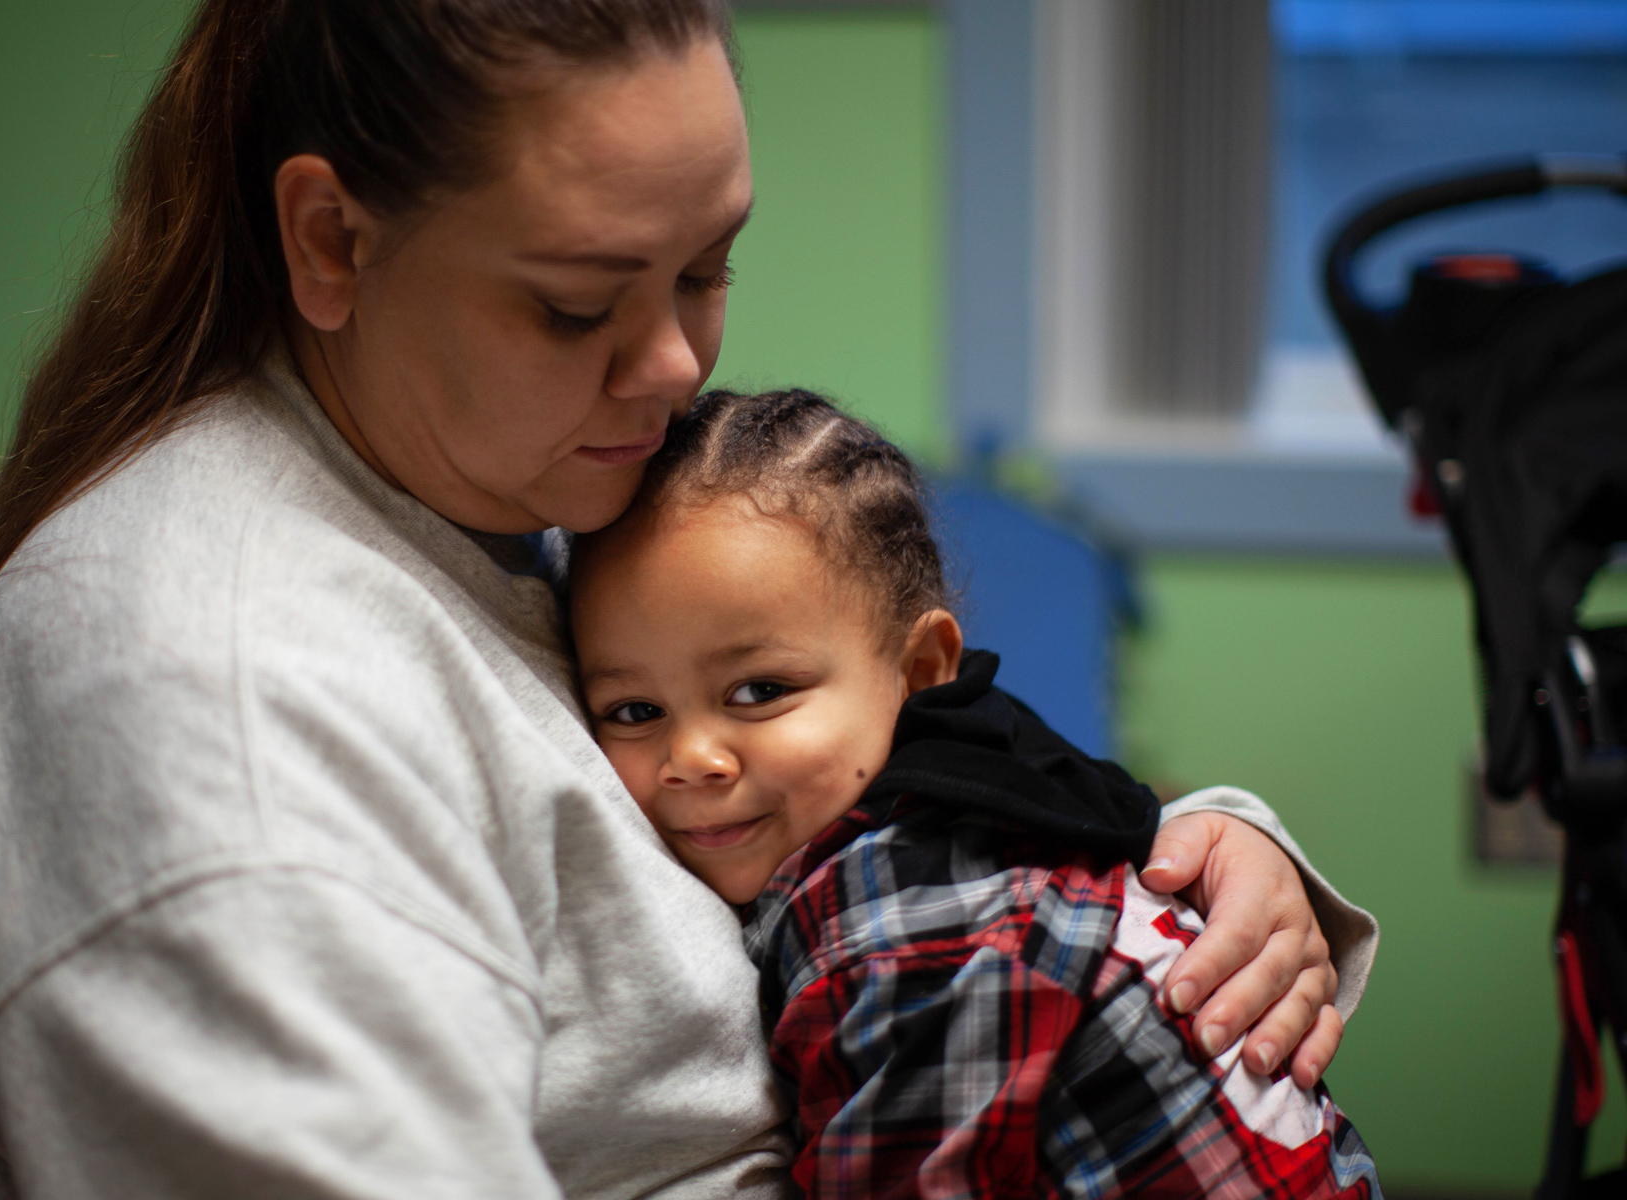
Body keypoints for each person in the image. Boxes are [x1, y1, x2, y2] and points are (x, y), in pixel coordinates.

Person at [0, 2, 1376, 1196]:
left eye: (710, 269)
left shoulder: (507, 491)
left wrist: (1189, 859)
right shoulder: (209, 703)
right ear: (333, 243)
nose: (674, 369)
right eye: (579, 304)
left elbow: (895, 814)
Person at [570, 389, 1381, 1198]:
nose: (694, 757)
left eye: (759, 691)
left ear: (921, 672)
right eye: (635, 711)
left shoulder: (910, 923)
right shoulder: (959, 778)